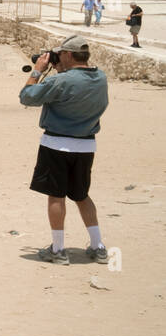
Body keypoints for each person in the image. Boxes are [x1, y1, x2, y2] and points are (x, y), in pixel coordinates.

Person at [19, 35, 110, 265]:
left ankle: (58, 250)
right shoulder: (100, 78)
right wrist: (61, 71)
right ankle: (98, 246)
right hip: (86, 144)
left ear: (68, 54)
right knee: (81, 195)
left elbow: (27, 97)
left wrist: (38, 71)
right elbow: (77, 86)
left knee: (56, 196)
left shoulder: (59, 82)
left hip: (57, 144)